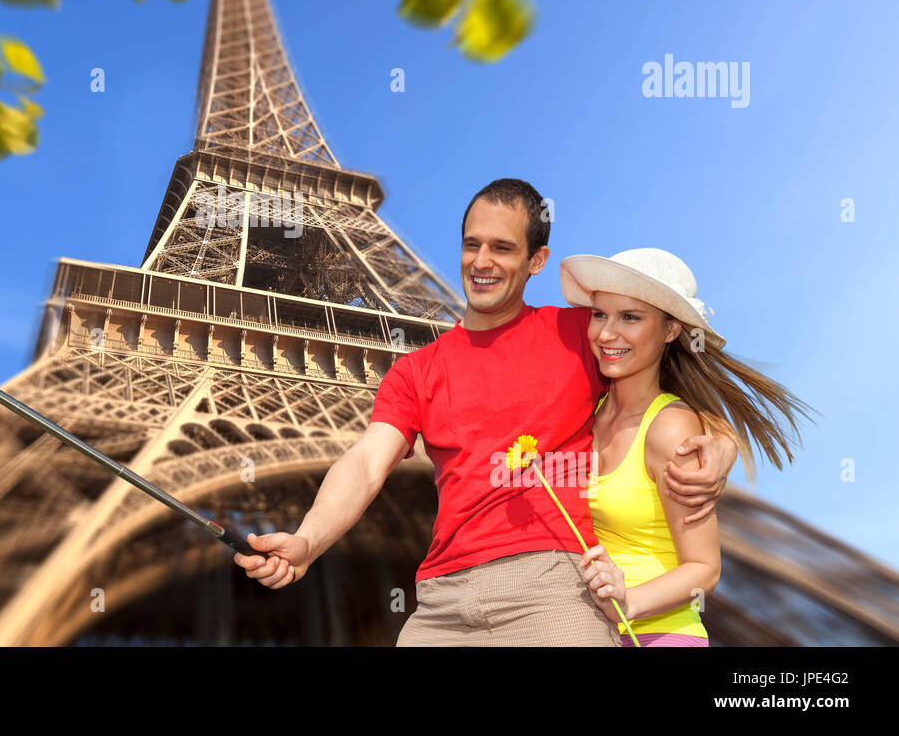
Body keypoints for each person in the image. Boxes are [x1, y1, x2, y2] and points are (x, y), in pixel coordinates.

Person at [233, 178, 741, 645]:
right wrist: (308, 539)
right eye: (472, 244)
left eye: (502, 247)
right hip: (441, 601)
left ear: (537, 259)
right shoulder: (415, 371)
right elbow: (367, 463)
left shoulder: (580, 334)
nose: (482, 261)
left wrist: (721, 443)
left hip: (554, 585)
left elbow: (660, 380)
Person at [563, 248, 809, 646]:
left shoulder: (672, 429)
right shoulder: (589, 408)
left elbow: (704, 568)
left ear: (671, 330)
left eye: (631, 317)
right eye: (599, 314)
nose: (606, 334)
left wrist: (630, 602)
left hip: (662, 636)